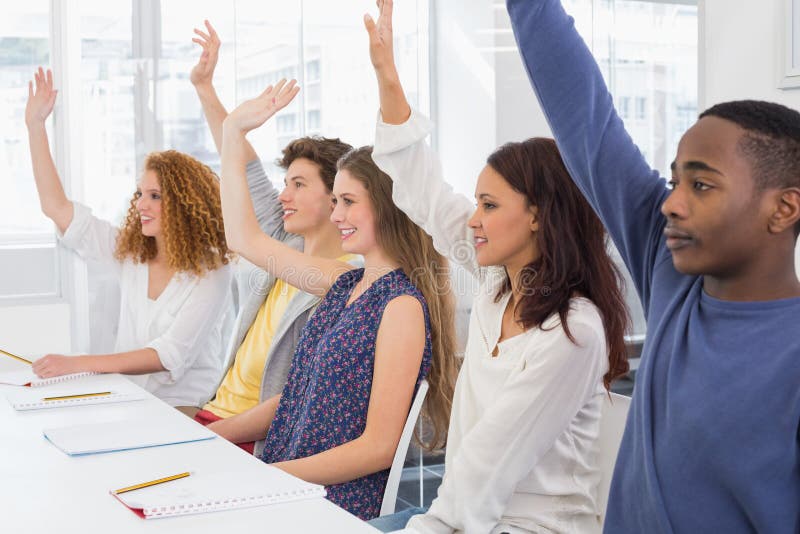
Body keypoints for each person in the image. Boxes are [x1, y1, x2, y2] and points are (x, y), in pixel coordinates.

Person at [506, 1, 800, 532]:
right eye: (675, 180)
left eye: (702, 184)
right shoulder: (671, 271)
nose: (672, 202)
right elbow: (586, 120)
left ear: (783, 209)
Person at [363, 1, 630, 532]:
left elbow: (492, 457)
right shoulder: (496, 288)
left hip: (526, 525)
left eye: (490, 205)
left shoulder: (573, 330)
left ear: (537, 216)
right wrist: (387, 76)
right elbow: (421, 187)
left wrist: (429, 527)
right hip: (463, 513)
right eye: (478, 204)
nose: (475, 220)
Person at [208, 79, 459, 521]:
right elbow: (244, 238)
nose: (336, 214)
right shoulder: (344, 283)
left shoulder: (401, 307)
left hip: (325, 502)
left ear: (388, 205)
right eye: (335, 200)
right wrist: (232, 133)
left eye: (347, 201)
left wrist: (273, 477)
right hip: (283, 483)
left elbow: (379, 448)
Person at [188, 21, 358, 455]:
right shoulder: (287, 240)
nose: (284, 194)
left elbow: (298, 396)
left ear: (335, 195)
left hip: (252, 439)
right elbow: (241, 165)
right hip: (213, 413)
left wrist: (211, 436)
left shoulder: (347, 277)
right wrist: (206, 89)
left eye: (299, 185)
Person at [25, 67, 233, 408]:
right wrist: (35, 127)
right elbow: (56, 207)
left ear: (183, 205)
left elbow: (168, 353)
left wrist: (82, 363)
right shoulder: (131, 251)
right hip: (128, 398)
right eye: (140, 194)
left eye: (155, 195)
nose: (141, 204)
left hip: (182, 408)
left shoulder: (212, 271)